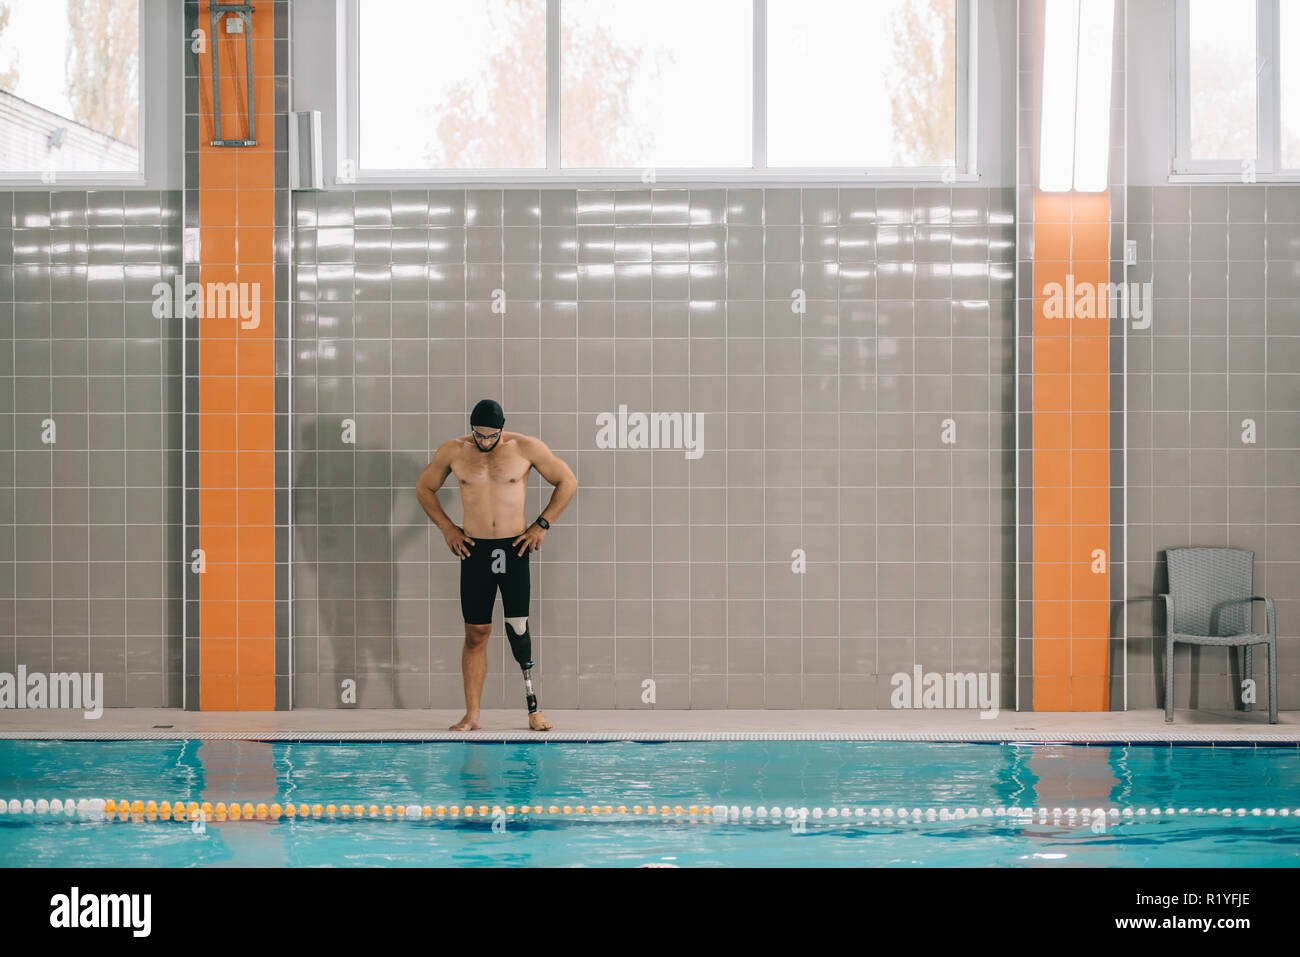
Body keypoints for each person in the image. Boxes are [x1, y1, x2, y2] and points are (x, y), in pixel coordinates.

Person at [415, 399, 578, 731]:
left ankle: (534, 709)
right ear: (471, 428)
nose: (485, 442)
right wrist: (447, 528)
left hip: (514, 546)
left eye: (491, 436)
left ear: (502, 429)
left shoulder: (525, 448)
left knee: (518, 628)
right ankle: (472, 715)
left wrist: (541, 525)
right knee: (476, 633)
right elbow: (424, 488)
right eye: (479, 435)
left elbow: (568, 481)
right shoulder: (454, 451)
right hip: (474, 550)